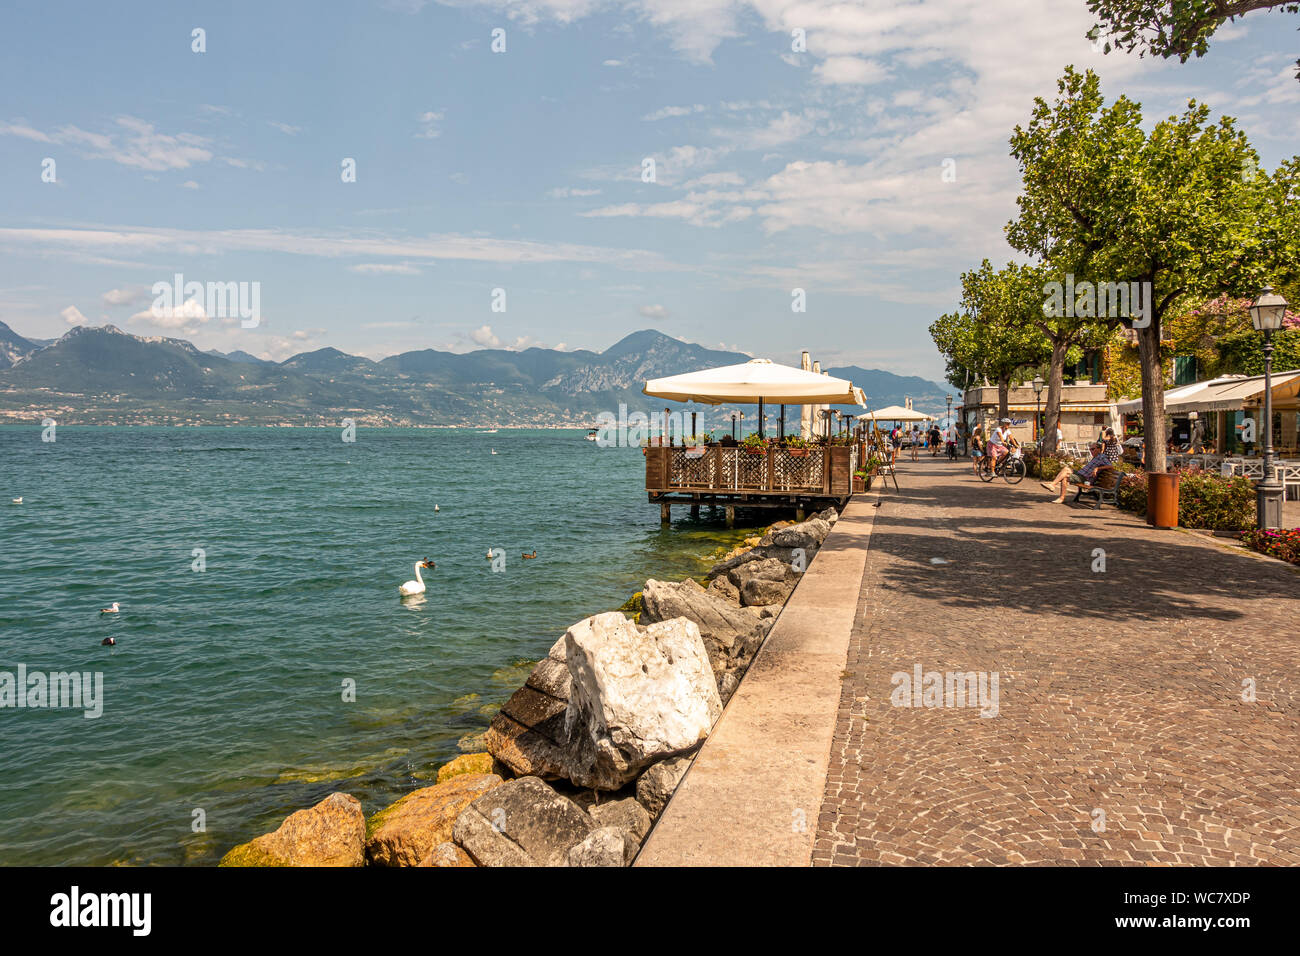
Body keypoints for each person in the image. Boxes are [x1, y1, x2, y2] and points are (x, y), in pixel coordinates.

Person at [1040, 441, 1108, 504]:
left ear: (1099, 449)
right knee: (1066, 468)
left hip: (1085, 478)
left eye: (1093, 449)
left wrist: (1097, 468)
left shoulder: (1102, 457)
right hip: (1080, 474)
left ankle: (1058, 493)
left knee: (1065, 477)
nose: (1091, 451)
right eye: (1090, 449)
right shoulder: (1095, 457)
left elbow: (1110, 466)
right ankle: (1053, 485)